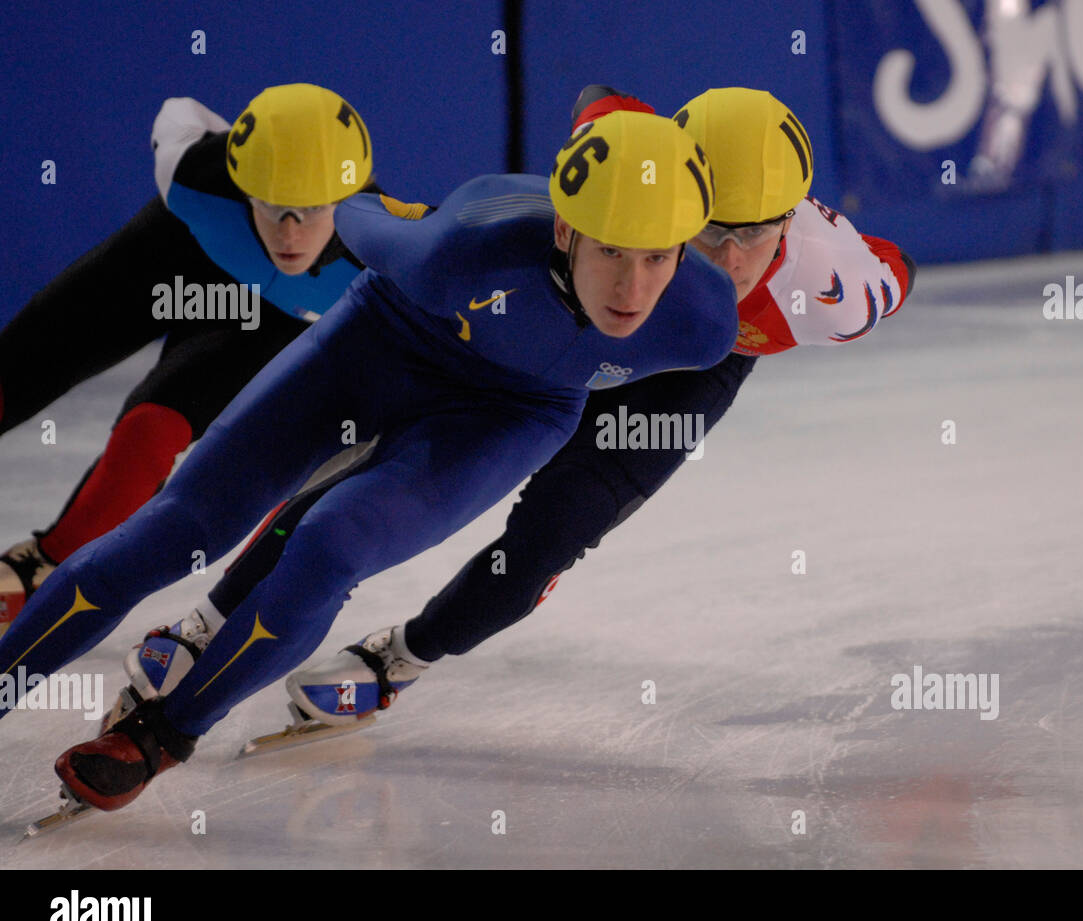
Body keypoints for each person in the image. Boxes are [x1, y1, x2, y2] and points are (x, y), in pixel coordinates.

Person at [111, 86, 916, 733]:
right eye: (706, 235)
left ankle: (401, 660)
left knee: (553, 534)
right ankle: (213, 617)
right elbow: (595, 106)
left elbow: (898, 273)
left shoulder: (835, 290)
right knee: (369, 464)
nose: (731, 261)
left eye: (758, 237)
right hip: (579, 315)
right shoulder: (633, 169)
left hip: (691, 364)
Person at [0, 109, 737, 813]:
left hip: (511, 413)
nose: (633, 288)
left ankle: (160, 738)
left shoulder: (701, 324)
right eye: (611, 250)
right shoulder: (460, 249)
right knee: (180, 528)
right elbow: (352, 207)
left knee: (332, 545)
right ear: (568, 228)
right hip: (377, 346)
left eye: (658, 256)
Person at [0, 83, 377, 638]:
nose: (290, 232)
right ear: (242, 183)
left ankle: (42, 565)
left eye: (312, 209)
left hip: (254, 319)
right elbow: (178, 110)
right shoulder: (193, 171)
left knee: (148, 436)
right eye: (272, 204)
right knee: (16, 372)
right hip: (167, 262)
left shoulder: (380, 246)